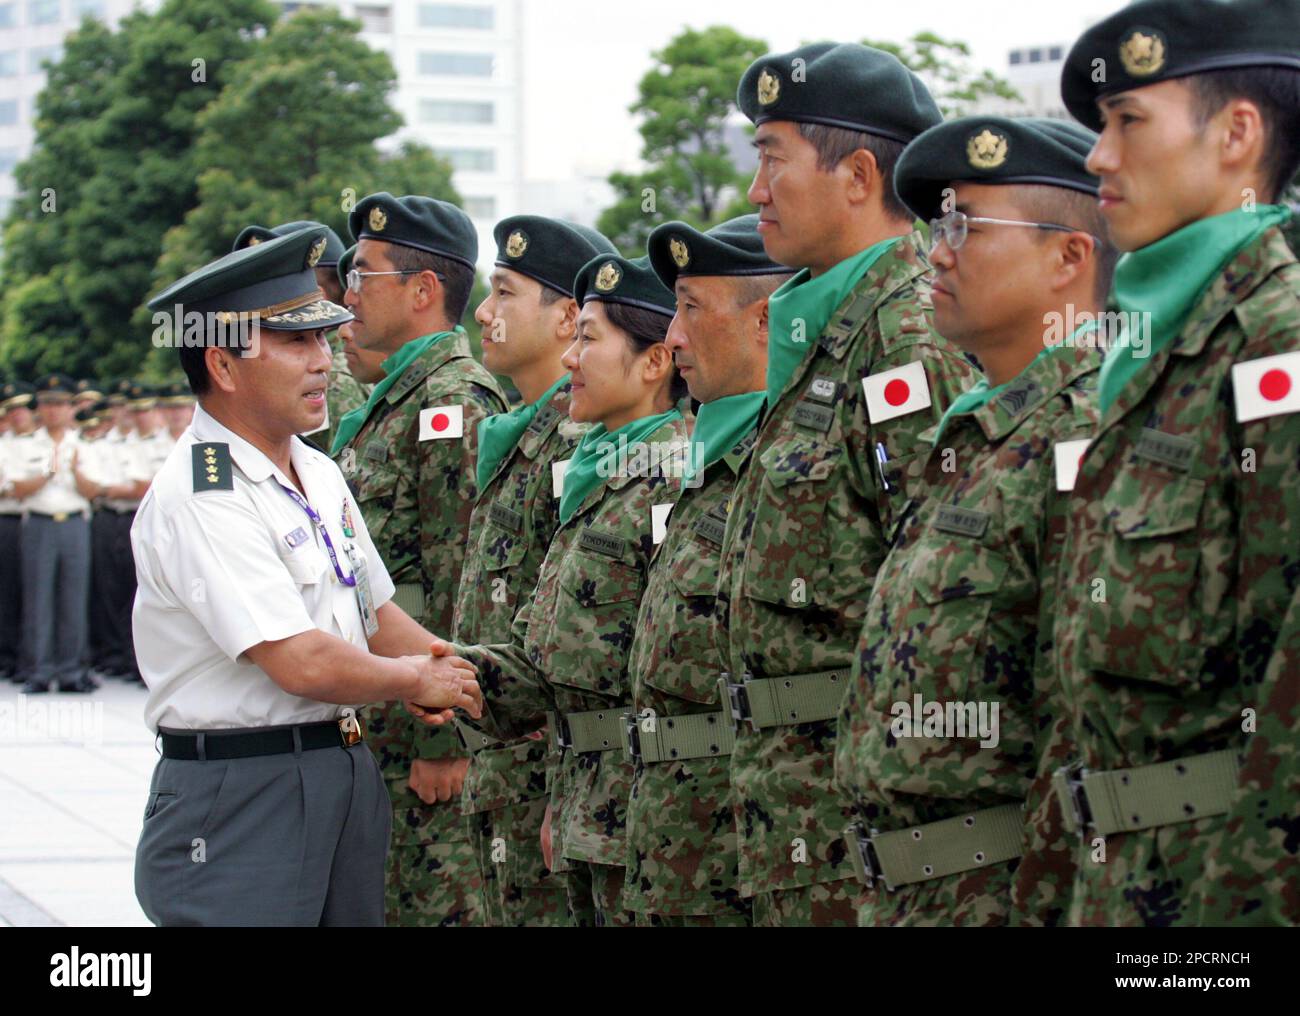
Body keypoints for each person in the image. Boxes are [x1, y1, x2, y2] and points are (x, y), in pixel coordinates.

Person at [131, 226, 483, 927]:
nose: (324, 361)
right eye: (297, 343)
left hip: (339, 769)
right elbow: (299, 660)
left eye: (324, 339)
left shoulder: (315, 469)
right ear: (223, 366)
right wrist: (417, 682)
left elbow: (375, 615)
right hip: (240, 792)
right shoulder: (205, 495)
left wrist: (464, 674)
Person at [708, 42, 979, 926]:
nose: (755, 193)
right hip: (787, 805)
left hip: (852, 822)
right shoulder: (823, 335)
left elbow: (940, 603)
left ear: (858, 174)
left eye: (772, 159)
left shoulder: (906, 338)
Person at [1052, 0, 1300, 927]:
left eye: (1127, 123)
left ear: (1237, 134)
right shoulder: (1155, 347)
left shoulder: (1277, 345)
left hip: (1215, 898)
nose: (1098, 158)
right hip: (1115, 881)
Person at [833, 116, 1116, 926]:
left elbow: (1092, 726)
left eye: (965, 226)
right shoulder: (980, 428)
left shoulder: (1089, 429)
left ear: (1070, 256)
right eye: (935, 225)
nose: (939, 252)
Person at [420, 253, 691, 926]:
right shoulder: (601, 470)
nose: (569, 359)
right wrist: (431, 671)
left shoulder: (679, 476)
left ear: (655, 363)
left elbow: (658, 669)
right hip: (581, 791)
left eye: (589, 339)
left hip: (639, 804)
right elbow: (548, 652)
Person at [333, 192, 509, 927]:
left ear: (423, 291)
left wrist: (449, 738)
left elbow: (464, 579)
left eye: (363, 275)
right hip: (382, 717)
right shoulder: (394, 397)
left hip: (421, 736)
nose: (347, 294)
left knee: (431, 908)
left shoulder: (451, 402)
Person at [622, 214, 793, 926]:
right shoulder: (704, 459)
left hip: (748, 849)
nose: (673, 338)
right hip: (672, 841)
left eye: (692, 308)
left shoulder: (788, 462)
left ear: (764, 323)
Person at [453, 215, 615, 926]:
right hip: (498, 766)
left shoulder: (583, 447)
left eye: (505, 292)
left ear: (567, 321)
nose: (484, 313)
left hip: (547, 775)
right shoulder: (516, 433)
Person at [234, 221, 367, 453]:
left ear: (315, 299)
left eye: (273, 294)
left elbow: (348, 479)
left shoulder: (330, 378)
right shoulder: (356, 358)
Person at [9, 373, 95, 694]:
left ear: (71, 408)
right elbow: (17, 488)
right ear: (39, 408)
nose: (53, 411)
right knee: (38, 599)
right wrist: (48, 472)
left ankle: (72, 671)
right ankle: (39, 671)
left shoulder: (83, 444)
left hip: (74, 521)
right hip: (40, 521)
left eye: (60, 404)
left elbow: (93, 491)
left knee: (74, 598)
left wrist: (74, 470)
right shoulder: (27, 444)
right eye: (47, 404)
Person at [0, 380, 35, 683]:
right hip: (6, 520)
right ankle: (8, 655)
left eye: (22, 408)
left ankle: (24, 658)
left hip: (24, 520)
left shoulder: (41, 443)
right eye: (12, 410)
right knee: (7, 593)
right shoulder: (4, 444)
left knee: (28, 592)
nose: (17, 415)